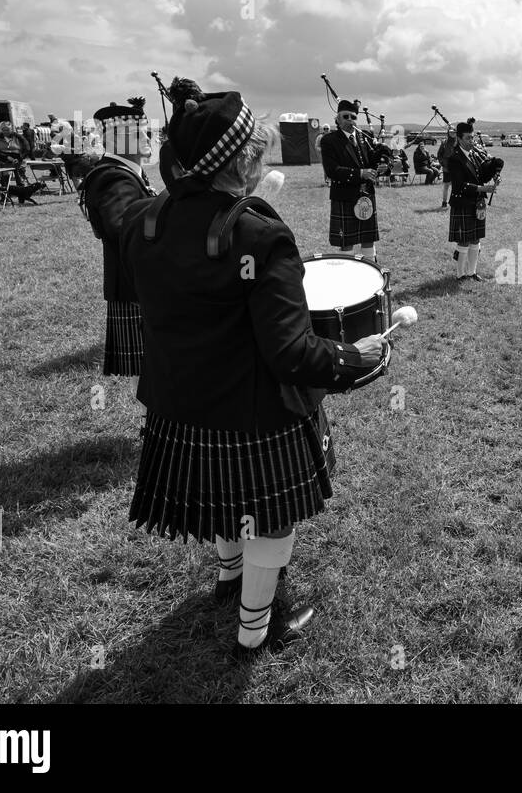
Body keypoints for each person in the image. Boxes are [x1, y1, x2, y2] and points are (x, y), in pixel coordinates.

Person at [119, 78, 385, 660]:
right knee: (269, 517)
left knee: (221, 498)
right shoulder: (262, 237)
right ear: (242, 159)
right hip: (256, 411)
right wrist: (349, 357)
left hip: (178, 405)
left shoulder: (146, 224)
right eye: (257, 150)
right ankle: (255, 630)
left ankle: (227, 576)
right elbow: (291, 353)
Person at [80, 97, 158, 376]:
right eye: (138, 134)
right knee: (146, 370)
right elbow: (122, 227)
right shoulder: (116, 177)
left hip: (135, 279)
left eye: (146, 132)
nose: (147, 138)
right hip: (133, 282)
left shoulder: (125, 172)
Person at [320, 99, 380, 260]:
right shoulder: (329, 140)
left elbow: (372, 162)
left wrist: (383, 157)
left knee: (368, 238)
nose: (350, 120)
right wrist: (360, 174)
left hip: (366, 195)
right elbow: (332, 171)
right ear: (338, 119)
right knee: (346, 241)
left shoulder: (363, 138)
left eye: (353, 117)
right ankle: (346, 276)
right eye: (345, 116)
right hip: (345, 196)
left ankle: (371, 274)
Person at [447, 121, 501, 281]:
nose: (472, 141)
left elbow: (482, 176)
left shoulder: (474, 155)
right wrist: (483, 189)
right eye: (468, 138)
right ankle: (460, 274)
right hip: (462, 202)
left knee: (476, 238)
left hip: (477, 203)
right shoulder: (454, 158)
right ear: (459, 138)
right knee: (464, 240)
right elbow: (459, 186)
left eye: (472, 138)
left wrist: (494, 171)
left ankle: (472, 272)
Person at [437, 126, 457, 207]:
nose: (452, 133)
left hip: (456, 168)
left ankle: (454, 202)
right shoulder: (444, 142)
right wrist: (443, 163)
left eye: (454, 132)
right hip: (447, 168)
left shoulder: (458, 142)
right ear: (448, 133)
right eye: (450, 132)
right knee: (446, 186)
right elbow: (439, 155)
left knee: (456, 186)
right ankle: (444, 202)